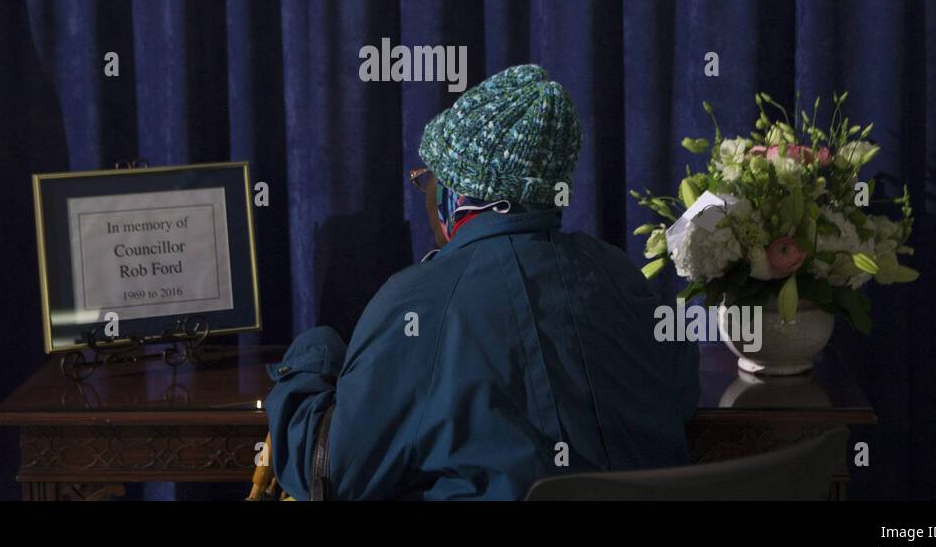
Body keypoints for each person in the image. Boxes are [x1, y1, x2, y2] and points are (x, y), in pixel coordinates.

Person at [264, 63, 699, 499]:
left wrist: (315, 350)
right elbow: (682, 400)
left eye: (430, 182)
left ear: (459, 194)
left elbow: (327, 474)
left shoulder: (419, 301)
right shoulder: (620, 274)